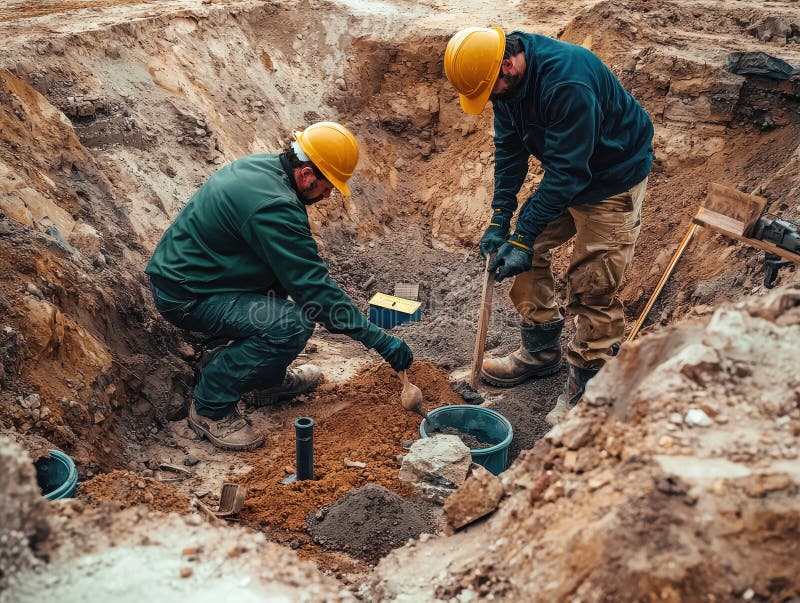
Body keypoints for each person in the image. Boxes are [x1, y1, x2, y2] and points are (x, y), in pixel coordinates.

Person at [146, 122, 413, 450]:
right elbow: (315, 290)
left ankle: (265, 381)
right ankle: (210, 404)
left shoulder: (266, 169)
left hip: (205, 276)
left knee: (285, 295)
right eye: (328, 186)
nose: (329, 195)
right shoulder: (275, 207)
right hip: (187, 296)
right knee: (292, 323)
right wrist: (379, 339)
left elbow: (298, 276)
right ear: (305, 174)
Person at [444, 28, 654, 424]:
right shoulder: (503, 82)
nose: (491, 98)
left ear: (508, 64)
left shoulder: (566, 82)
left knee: (592, 281)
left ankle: (589, 388)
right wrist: (500, 220)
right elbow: (509, 151)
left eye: (492, 90)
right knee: (528, 252)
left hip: (612, 178)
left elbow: (568, 173)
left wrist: (523, 235)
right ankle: (540, 352)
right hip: (569, 172)